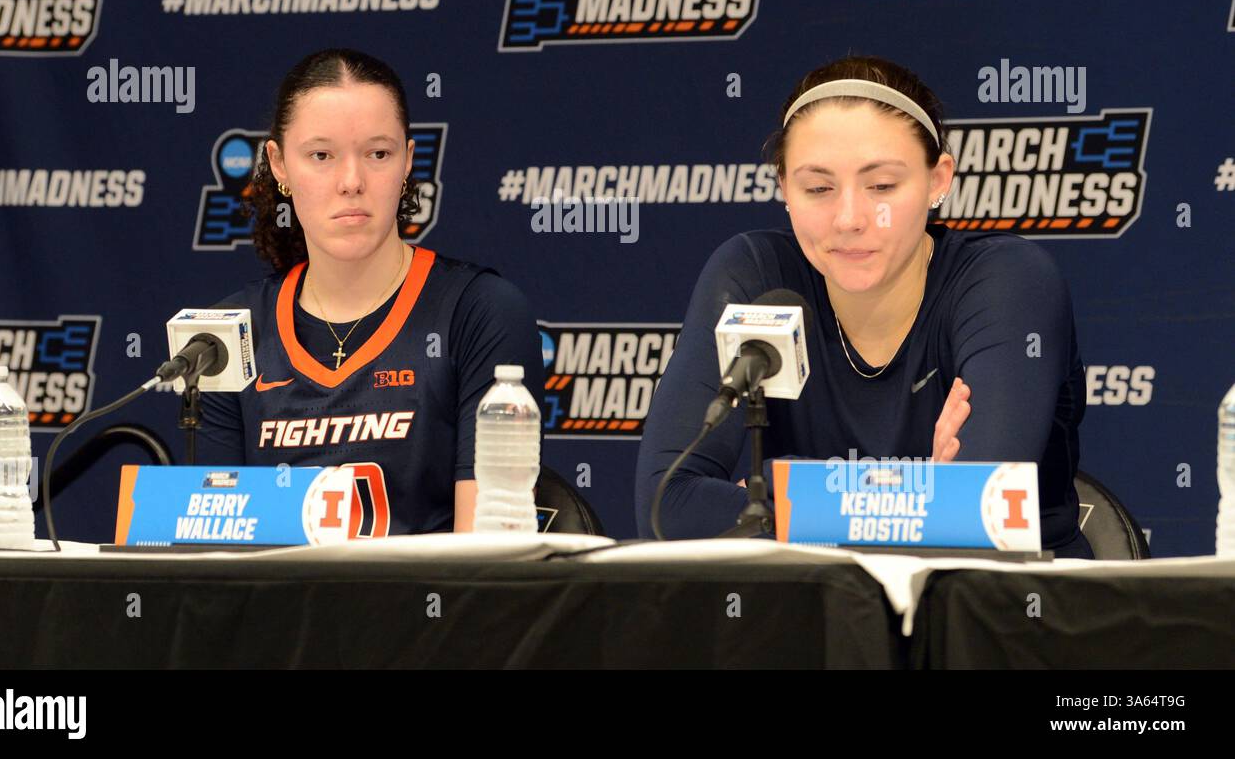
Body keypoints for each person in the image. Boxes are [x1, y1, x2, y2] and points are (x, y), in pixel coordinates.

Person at [635, 55, 1092, 558]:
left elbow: (982, 515)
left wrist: (777, 503)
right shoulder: (755, 273)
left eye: (881, 186)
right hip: (820, 616)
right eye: (818, 188)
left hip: (1007, 615)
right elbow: (669, 506)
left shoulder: (1008, 279)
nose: (850, 218)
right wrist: (922, 499)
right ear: (784, 186)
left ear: (938, 180)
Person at [196, 48, 543, 534]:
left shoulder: (480, 311)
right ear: (278, 165)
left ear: (407, 161)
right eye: (321, 155)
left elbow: (483, 563)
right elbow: (211, 549)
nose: (352, 181)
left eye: (378, 153)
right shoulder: (224, 335)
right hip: (271, 610)